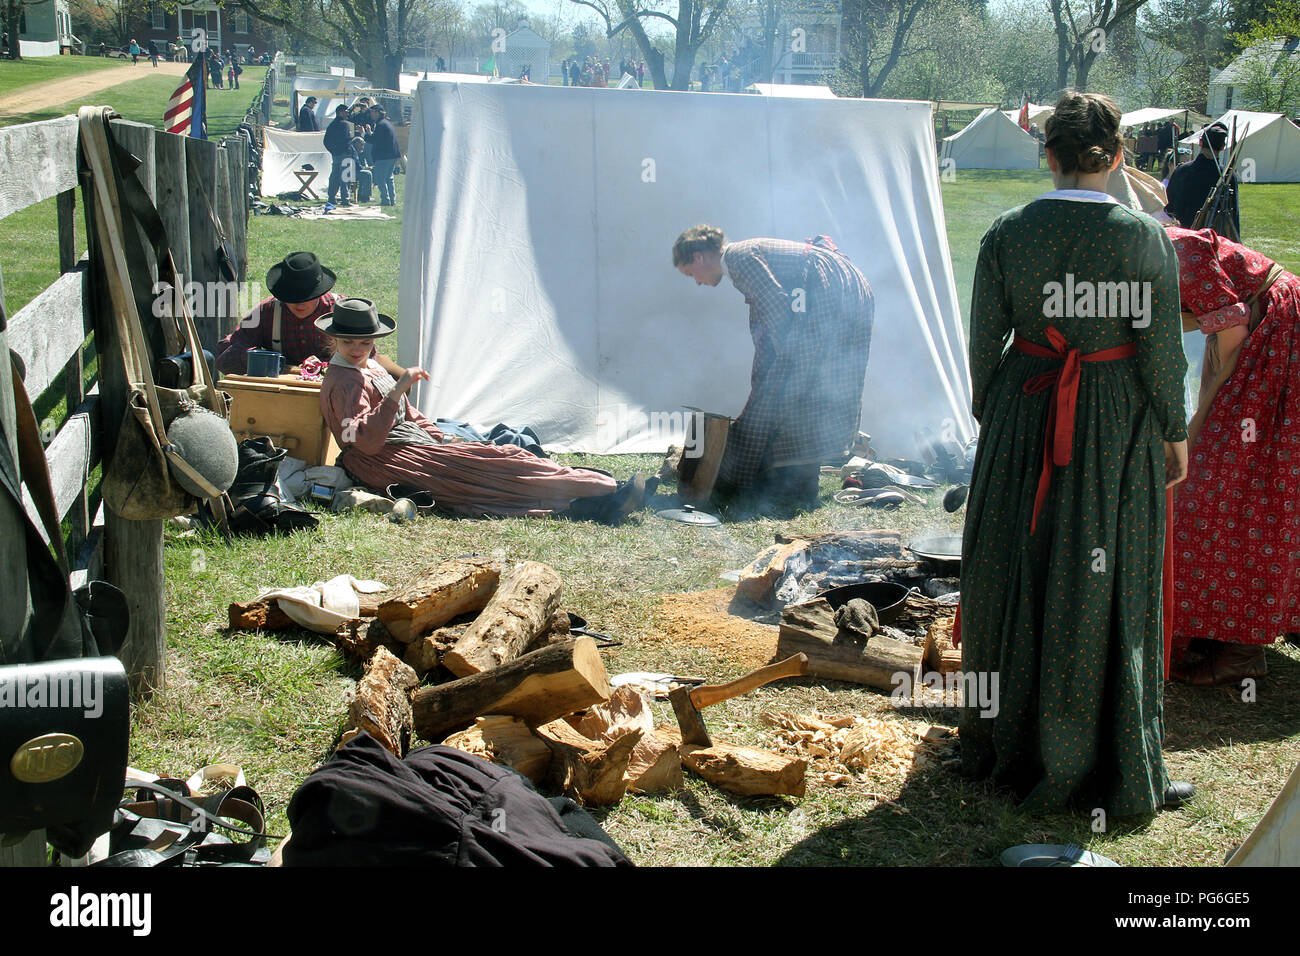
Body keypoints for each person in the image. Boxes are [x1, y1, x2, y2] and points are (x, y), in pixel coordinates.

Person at [959, 91, 1193, 819]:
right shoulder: (1143, 237)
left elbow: (982, 342)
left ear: (1047, 156)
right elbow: (1160, 353)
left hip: (1024, 406)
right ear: (1118, 157)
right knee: (1101, 579)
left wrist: (995, 415)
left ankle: (1004, 747)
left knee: (1015, 570)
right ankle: (1107, 759)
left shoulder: (1008, 230)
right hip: (1115, 420)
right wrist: (1174, 432)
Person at [317, 298, 652, 520]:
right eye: (348, 342)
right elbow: (365, 440)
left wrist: (442, 439)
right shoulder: (343, 381)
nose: (358, 349)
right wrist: (398, 391)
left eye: (365, 342)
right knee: (486, 475)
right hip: (380, 460)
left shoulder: (370, 367)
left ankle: (602, 488)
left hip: (413, 445)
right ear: (334, 341)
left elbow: (410, 415)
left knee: (504, 455)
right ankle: (596, 499)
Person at [1166, 225, 1300, 685]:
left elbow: (1234, 330)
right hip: (1262, 330)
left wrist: (1204, 417)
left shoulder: (1176, 248)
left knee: (1234, 477)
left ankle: (1242, 649)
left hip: (1277, 334)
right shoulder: (1130, 263)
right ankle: (1220, 625)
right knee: (1234, 475)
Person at [672, 225, 874, 512]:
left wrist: (783, 368)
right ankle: (790, 477)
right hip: (848, 286)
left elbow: (776, 306)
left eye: (691, 273)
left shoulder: (738, 257)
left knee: (795, 380)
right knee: (811, 381)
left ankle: (788, 483)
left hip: (829, 285)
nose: (697, 282)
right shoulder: (744, 258)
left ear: (698, 257)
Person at [213, 252, 407, 379]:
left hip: (341, 382)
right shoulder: (268, 311)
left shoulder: (340, 309)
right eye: (291, 297)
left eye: (307, 297)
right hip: (284, 389)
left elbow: (366, 354)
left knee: (396, 375)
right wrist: (267, 360)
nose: (299, 303)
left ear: (320, 291)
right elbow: (225, 352)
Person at [1165, 123, 1239, 235]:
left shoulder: (1182, 171)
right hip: (1215, 239)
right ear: (1223, 146)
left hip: (1184, 236)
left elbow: (1169, 207)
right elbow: (1233, 215)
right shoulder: (1227, 176)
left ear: (1200, 142)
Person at [366, 105, 400, 207]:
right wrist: (370, 133)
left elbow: (375, 141)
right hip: (392, 155)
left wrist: (365, 134)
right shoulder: (386, 123)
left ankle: (386, 199)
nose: (371, 114)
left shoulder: (380, 125)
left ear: (377, 112)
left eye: (372, 112)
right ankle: (392, 199)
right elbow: (379, 138)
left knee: (381, 179)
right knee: (389, 178)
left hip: (384, 156)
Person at [324, 104, 355, 207]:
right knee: (345, 177)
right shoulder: (345, 125)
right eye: (345, 111)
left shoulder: (332, 125)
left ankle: (331, 197)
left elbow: (326, 141)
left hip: (336, 154)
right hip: (345, 154)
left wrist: (333, 151)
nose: (347, 113)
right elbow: (347, 140)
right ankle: (345, 199)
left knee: (335, 177)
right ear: (340, 112)